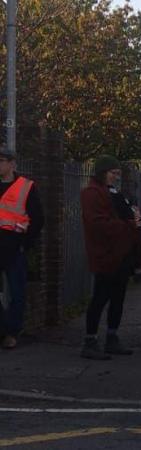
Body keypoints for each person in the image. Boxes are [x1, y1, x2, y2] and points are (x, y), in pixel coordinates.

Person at [79, 155, 141, 359]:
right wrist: (129, 225)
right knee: (100, 298)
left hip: (121, 254)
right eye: (113, 173)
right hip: (105, 254)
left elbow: (125, 214)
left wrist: (133, 219)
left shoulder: (113, 192)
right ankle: (90, 341)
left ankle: (112, 338)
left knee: (118, 298)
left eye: (118, 174)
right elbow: (98, 224)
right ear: (102, 172)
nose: (116, 177)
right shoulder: (91, 193)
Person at [0, 147, 44, 349]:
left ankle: (11, 332)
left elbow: (37, 219)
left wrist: (24, 242)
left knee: (18, 294)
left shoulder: (25, 187)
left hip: (14, 248)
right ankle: (4, 328)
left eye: (1, 160)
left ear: (12, 163)